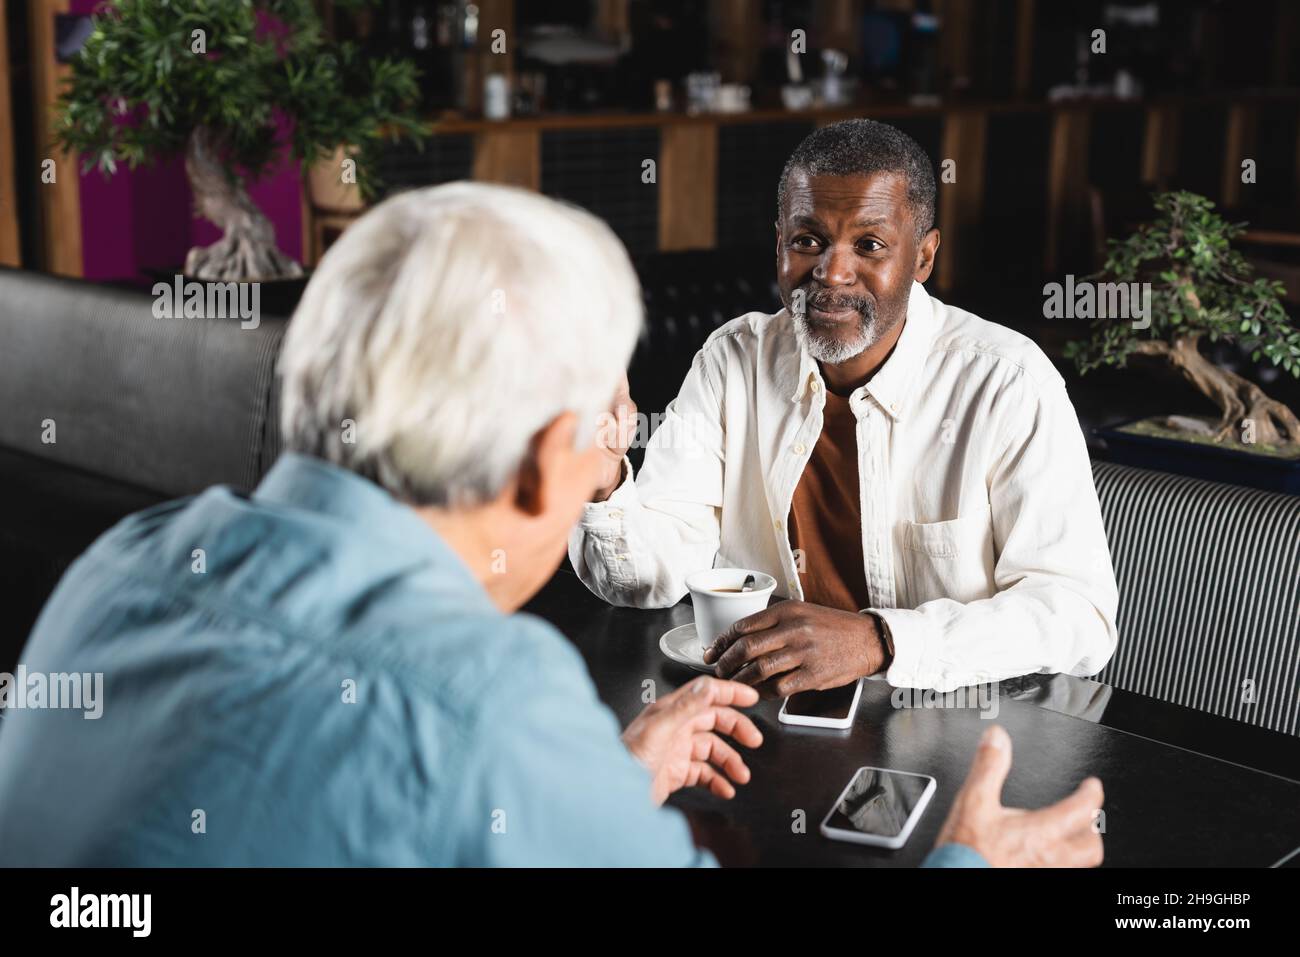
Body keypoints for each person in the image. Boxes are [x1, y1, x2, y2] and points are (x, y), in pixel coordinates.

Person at [0, 183, 1101, 867]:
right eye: (605, 426)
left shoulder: (125, 564)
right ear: (545, 464)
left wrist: (592, 787)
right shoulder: (488, 705)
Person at [571, 119, 1119, 698]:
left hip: (957, 722)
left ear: (924, 257)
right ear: (778, 242)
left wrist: (879, 641)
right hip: (765, 712)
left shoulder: (1006, 381)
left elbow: (1078, 617)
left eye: (870, 245)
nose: (831, 272)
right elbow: (649, 578)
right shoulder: (734, 360)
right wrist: (603, 479)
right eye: (807, 241)